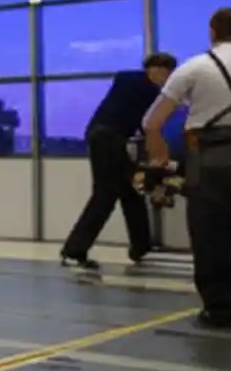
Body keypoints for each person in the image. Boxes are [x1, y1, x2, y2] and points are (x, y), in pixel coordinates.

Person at [143, 7, 231, 341]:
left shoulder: (194, 68)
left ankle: (219, 312)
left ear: (212, 31)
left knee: (211, 238)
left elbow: (151, 122)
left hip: (209, 161)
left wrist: (160, 152)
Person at [60, 53, 178, 270]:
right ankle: (75, 249)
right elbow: (151, 123)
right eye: (165, 73)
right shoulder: (142, 86)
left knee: (132, 191)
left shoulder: (134, 82)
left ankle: (141, 247)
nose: (166, 79)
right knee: (105, 194)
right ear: (155, 70)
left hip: (108, 138)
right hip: (107, 137)